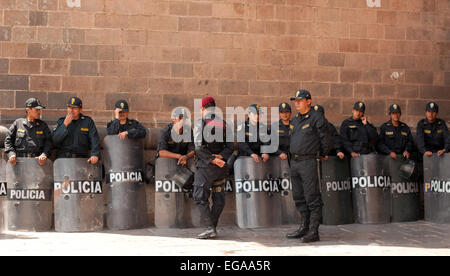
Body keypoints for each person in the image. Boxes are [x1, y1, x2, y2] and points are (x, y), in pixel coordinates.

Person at [286, 89, 330, 243]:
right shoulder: (296, 120)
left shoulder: (316, 117)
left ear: (308, 101)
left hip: (308, 162)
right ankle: (304, 227)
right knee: (299, 196)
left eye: (300, 100)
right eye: (295, 101)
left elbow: (325, 138)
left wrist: (324, 153)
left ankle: (313, 231)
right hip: (295, 163)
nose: (296, 103)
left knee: (312, 196)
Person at [192, 97, 234, 239]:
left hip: (205, 168)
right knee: (219, 199)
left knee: (200, 197)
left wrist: (212, 160)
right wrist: (220, 157)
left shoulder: (201, 123)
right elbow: (230, 147)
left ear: (203, 109)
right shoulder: (223, 124)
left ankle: (210, 228)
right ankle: (212, 227)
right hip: (220, 168)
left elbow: (198, 147)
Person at [52, 97, 101, 164]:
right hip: (64, 159)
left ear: (80, 110)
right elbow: (54, 140)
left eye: (74, 108)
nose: (71, 110)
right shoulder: (61, 121)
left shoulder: (87, 122)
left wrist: (95, 154)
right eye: (69, 107)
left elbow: (94, 139)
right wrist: (64, 125)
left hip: (81, 159)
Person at [4, 98, 52, 166]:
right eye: (37, 109)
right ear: (28, 110)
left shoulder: (43, 125)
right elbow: (8, 140)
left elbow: (49, 142)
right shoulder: (18, 123)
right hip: (20, 163)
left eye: (39, 109)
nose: (39, 112)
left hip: (37, 164)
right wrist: (11, 154)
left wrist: (44, 154)